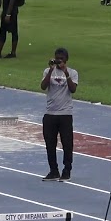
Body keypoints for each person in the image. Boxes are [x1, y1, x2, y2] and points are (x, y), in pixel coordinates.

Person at [40, 47, 78, 181]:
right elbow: (43, 86)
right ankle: (53, 170)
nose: (59, 61)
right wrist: (51, 70)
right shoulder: (48, 71)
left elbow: (73, 89)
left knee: (67, 144)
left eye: (61, 59)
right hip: (50, 113)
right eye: (57, 58)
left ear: (66, 59)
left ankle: (67, 170)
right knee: (50, 144)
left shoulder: (72, 72)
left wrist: (66, 72)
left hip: (65, 114)